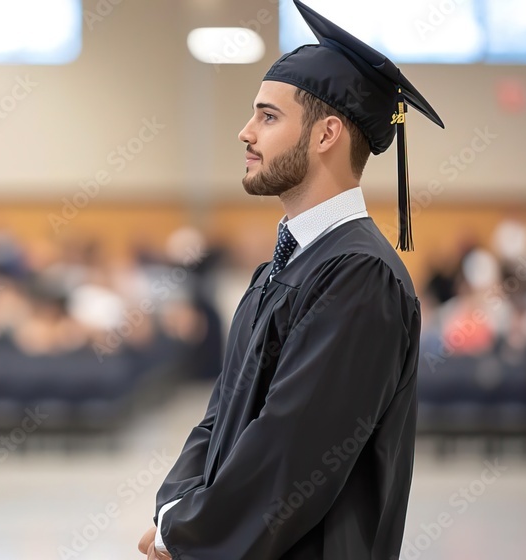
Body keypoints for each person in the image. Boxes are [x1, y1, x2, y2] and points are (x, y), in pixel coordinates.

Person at [138, 1, 445, 558]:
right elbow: (222, 413)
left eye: (268, 116)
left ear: (327, 134)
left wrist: (186, 532)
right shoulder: (285, 265)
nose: (245, 132)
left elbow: (295, 449)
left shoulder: (360, 275)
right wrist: (173, 508)